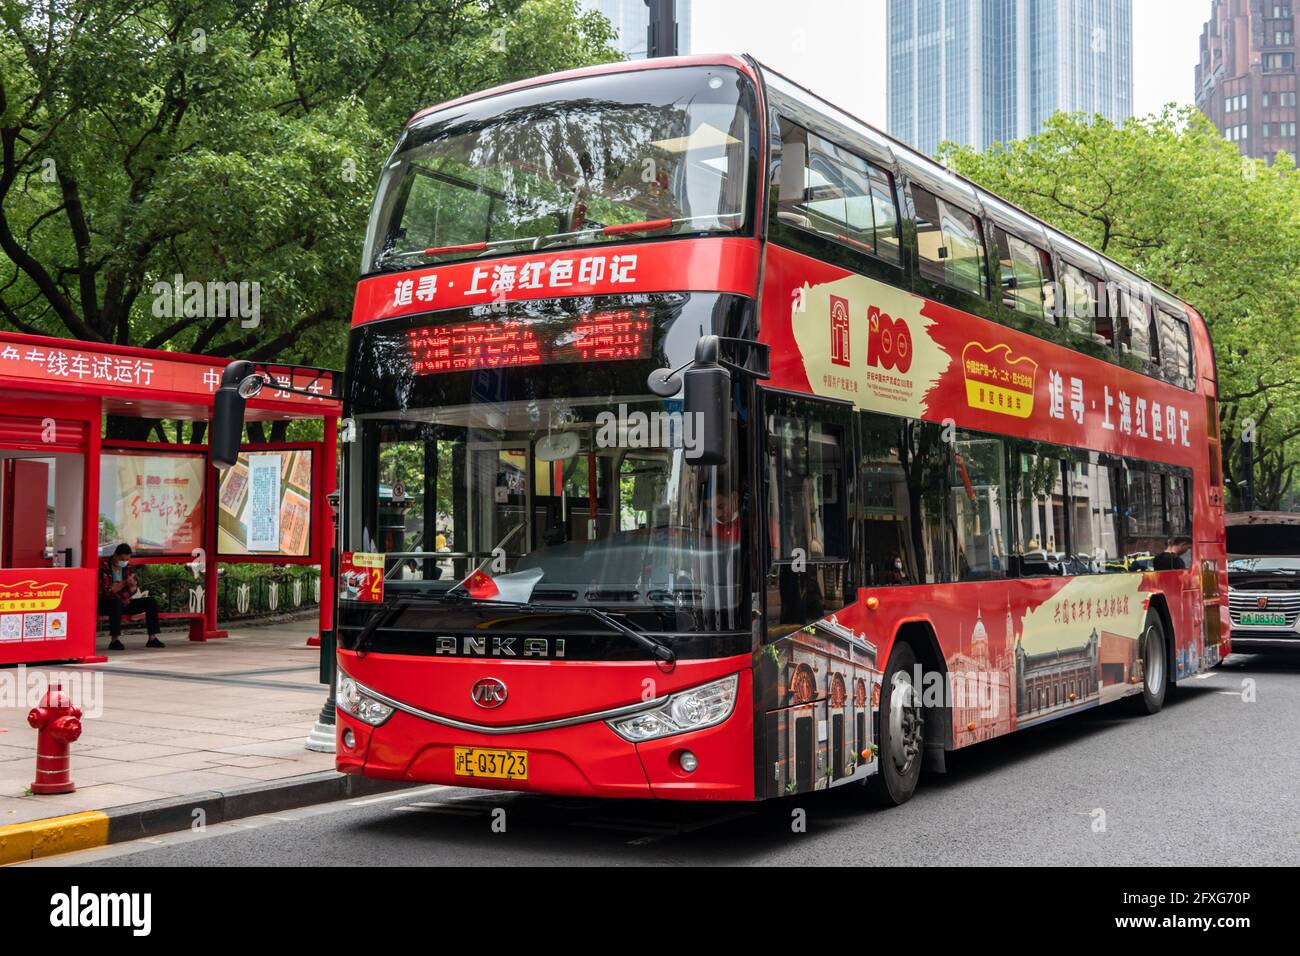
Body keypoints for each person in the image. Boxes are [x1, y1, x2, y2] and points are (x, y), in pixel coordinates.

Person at [98, 544, 164, 650]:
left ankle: (152, 638)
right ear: (115, 555)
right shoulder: (104, 566)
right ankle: (115, 640)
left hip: (124, 601)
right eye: (122, 559)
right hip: (107, 603)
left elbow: (133, 589)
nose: (124, 562)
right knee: (116, 603)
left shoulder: (127, 568)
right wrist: (124, 584)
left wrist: (130, 590)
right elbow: (107, 591)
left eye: (127, 559)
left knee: (151, 602)